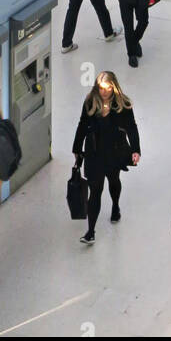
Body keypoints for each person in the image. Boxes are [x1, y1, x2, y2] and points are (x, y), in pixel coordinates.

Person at [72, 72, 140, 245]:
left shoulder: (122, 104)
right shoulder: (89, 102)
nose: (104, 92)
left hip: (114, 151)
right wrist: (77, 148)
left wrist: (135, 149)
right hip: (94, 153)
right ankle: (91, 231)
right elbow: (82, 124)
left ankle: (115, 205)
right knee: (95, 191)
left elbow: (131, 127)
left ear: (114, 86)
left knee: (114, 180)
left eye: (108, 88)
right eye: (101, 88)